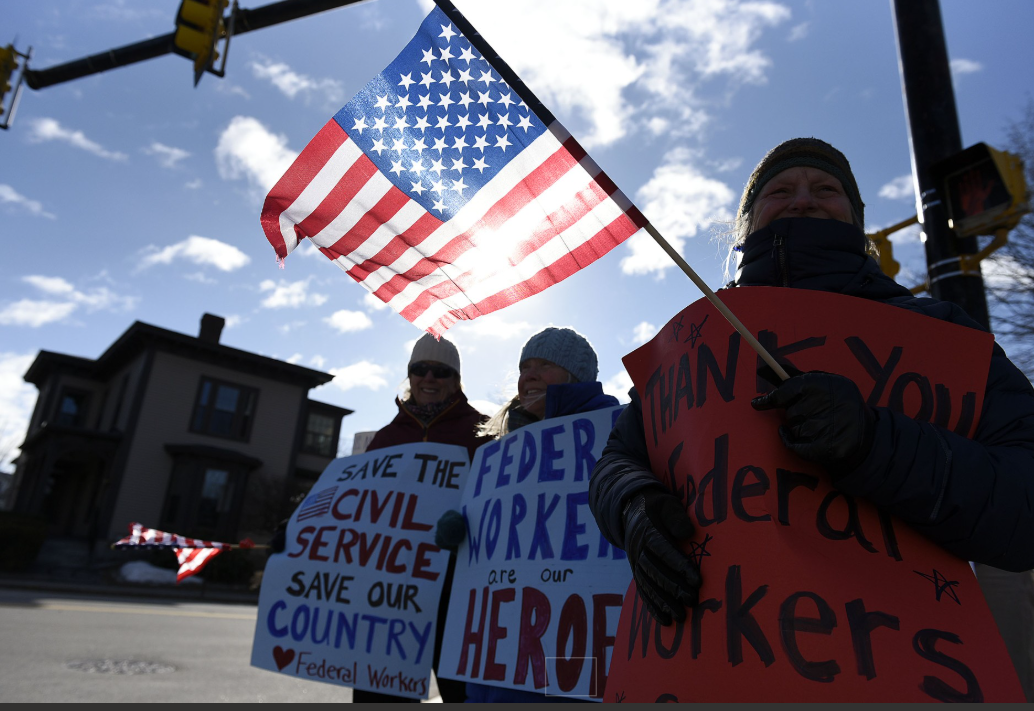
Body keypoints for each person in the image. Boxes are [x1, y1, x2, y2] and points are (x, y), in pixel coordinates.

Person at [587, 138, 1034, 692]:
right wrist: (633, 507)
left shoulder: (940, 331)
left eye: (825, 189)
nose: (803, 200)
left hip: (895, 673)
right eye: (779, 191)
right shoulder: (696, 338)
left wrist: (876, 444)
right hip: (705, 669)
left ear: (856, 219)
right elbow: (618, 459)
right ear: (747, 223)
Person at [436, 326, 620, 703]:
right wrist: (463, 528)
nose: (529, 375)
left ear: (576, 376)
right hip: (494, 672)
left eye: (545, 365)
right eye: (524, 366)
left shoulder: (617, 432)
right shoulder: (499, 452)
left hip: (574, 675)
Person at [354, 333, 490, 704]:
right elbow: (353, 510)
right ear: (410, 375)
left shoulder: (486, 433)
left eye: (440, 371)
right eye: (420, 369)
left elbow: (504, 506)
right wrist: (305, 532)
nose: (429, 378)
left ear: (456, 380)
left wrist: (469, 524)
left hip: (458, 595)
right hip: (389, 595)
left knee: (464, 697)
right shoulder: (384, 439)